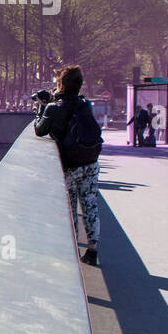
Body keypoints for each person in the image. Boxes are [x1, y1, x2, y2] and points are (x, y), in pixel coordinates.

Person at [34, 64, 103, 266]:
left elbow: (39, 130)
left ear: (61, 83)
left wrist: (41, 109)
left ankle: (71, 250)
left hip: (70, 164)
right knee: (90, 204)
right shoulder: (85, 104)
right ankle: (92, 250)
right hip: (90, 161)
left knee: (70, 206)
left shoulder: (54, 108)